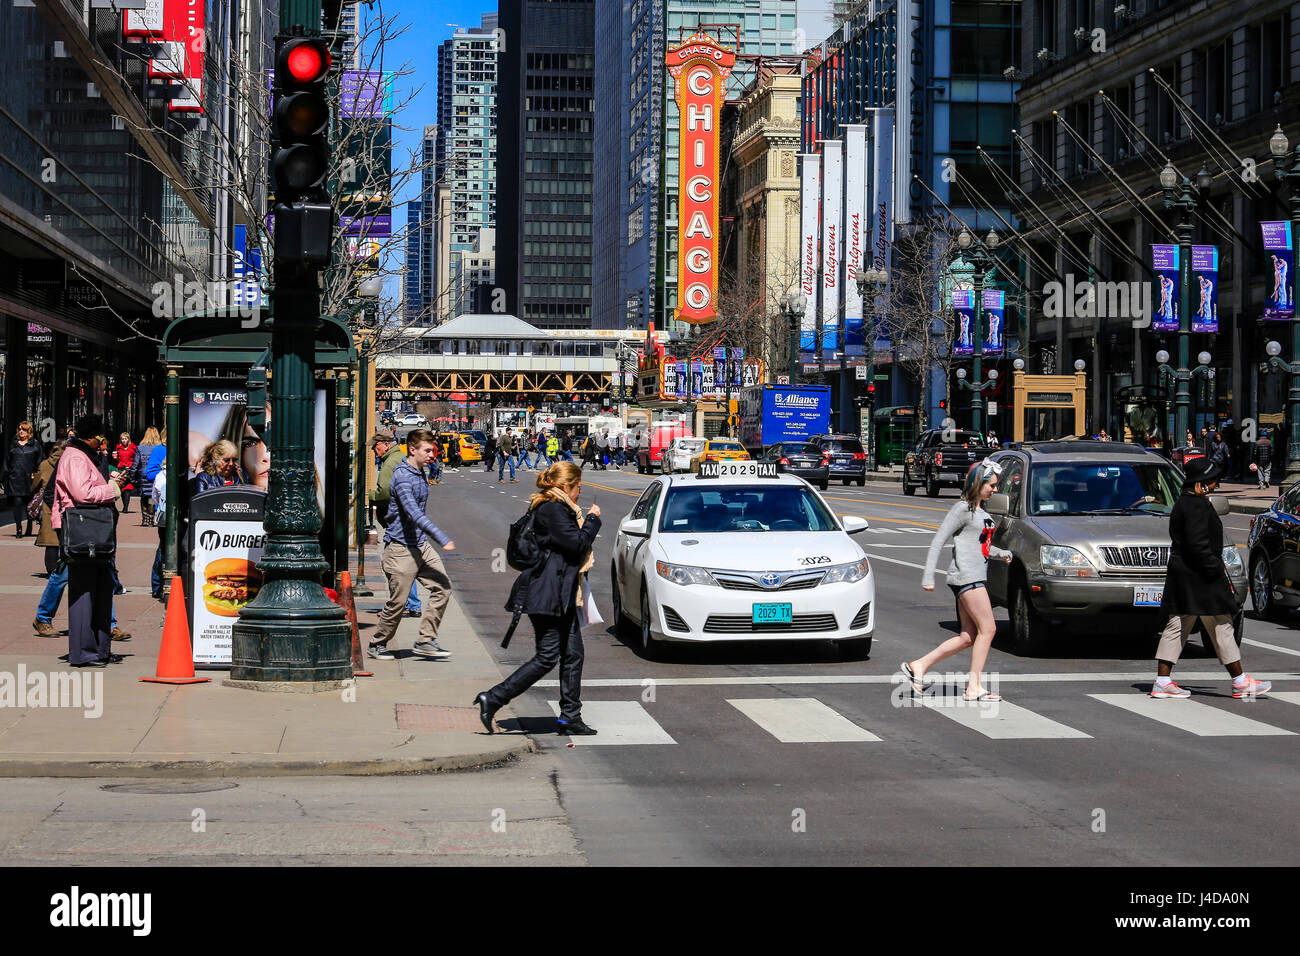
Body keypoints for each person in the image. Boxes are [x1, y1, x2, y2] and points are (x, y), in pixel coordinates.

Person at [473, 461, 602, 736]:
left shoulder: (556, 506)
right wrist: (592, 521)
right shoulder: (552, 509)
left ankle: (570, 717)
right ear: (566, 486)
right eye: (579, 487)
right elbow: (577, 544)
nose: (580, 492)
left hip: (560, 593)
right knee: (547, 657)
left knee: (573, 653)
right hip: (547, 593)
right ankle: (493, 698)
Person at [1150, 456, 1271, 700]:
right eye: (1212, 480)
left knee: (1177, 626)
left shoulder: (1184, 503)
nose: (1216, 484)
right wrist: (1215, 570)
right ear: (1202, 483)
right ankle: (1240, 682)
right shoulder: (1197, 506)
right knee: (1221, 624)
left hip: (1184, 576)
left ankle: (1163, 681)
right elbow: (1198, 545)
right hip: (1200, 577)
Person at [905, 459, 1013, 701]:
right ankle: (974, 687)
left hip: (972, 577)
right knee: (989, 629)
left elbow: (979, 548)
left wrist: (1000, 553)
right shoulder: (962, 509)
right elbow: (939, 539)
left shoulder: (981, 512)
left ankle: (919, 665)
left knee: (968, 637)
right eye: (992, 486)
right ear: (978, 483)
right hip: (967, 578)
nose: (995, 490)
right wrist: (928, 575)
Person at [368, 430, 456, 661]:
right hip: (400, 549)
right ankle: (377, 643)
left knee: (443, 587)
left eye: (432, 450)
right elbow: (414, 513)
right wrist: (442, 537)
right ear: (413, 450)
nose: (431, 454)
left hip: (420, 545)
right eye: (427, 450)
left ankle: (426, 639)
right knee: (398, 603)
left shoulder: (419, 471)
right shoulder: (403, 477)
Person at [53, 415, 129, 667]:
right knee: (85, 592)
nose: (104, 444)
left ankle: (98, 648)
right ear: (92, 437)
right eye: (101, 438)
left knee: (100, 590)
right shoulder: (75, 457)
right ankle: (85, 651)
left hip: (93, 532)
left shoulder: (83, 455)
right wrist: (113, 489)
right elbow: (82, 493)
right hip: (84, 533)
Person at [369, 430, 422, 618]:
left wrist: (369, 496)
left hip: (397, 521)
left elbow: (384, 494)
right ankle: (411, 604)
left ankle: (405, 604)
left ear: (386, 444)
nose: (374, 451)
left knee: (394, 565)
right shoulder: (402, 457)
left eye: (376, 446)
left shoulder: (390, 463)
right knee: (404, 563)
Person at [4, 420, 41, 537]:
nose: (21, 431)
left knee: (29, 504)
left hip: (29, 479)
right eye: (19, 429)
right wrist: (3, 477)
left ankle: (29, 525)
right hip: (15, 479)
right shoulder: (13, 444)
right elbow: (6, 461)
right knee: (17, 503)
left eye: (23, 429)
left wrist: (36, 474)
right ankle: (18, 529)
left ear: (28, 431)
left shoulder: (35, 444)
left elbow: (39, 461)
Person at [134, 426, 162, 525]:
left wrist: (132, 476)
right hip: (155, 474)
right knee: (152, 496)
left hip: (143, 474)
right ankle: (150, 517)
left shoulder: (140, 448)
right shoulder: (158, 448)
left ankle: (144, 518)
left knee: (144, 496)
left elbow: (136, 464)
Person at [113, 432, 138, 514]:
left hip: (129, 469)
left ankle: (126, 508)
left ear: (128, 439)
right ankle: (124, 506)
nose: (124, 441)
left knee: (128, 487)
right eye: (122, 439)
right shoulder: (118, 448)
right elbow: (116, 459)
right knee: (122, 488)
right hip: (120, 468)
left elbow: (136, 458)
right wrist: (115, 458)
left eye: (125, 439)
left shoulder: (133, 447)